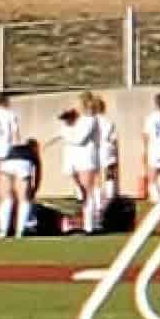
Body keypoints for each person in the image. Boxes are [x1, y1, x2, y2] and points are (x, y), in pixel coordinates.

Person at [60, 91, 100, 233]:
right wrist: (67, 123)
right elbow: (65, 135)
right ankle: (86, 221)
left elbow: (79, 139)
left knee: (86, 191)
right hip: (74, 158)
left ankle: (89, 225)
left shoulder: (91, 119)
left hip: (86, 158)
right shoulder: (78, 119)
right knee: (80, 192)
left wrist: (67, 130)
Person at [0, 138, 42, 239]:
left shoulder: (14, 148)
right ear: (35, 147)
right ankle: (19, 232)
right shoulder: (34, 154)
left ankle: (2, 231)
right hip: (23, 165)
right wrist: (34, 190)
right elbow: (38, 174)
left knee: (7, 199)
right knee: (24, 200)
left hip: (7, 164)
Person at [0, 94, 19, 232]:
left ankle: (0, 225)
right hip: (9, 154)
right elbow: (16, 136)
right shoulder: (11, 114)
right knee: (10, 190)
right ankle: (7, 224)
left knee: (0, 190)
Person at [92, 96, 119, 207]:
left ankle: (98, 203)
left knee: (97, 176)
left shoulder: (91, 121)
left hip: (96, 149)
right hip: (108, 149)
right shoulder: (109, 121)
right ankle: (110, 198)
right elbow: (113, 138)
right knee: (110, 173)